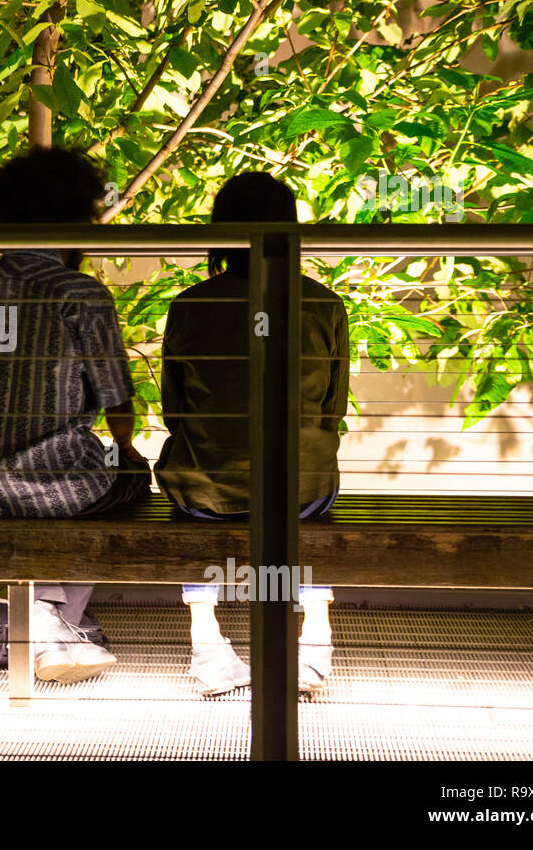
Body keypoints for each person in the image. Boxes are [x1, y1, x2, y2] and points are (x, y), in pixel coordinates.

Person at [0, 146, 151, 685]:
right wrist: (126, 450)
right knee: (129, 484)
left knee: (58, 499)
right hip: (67, 486)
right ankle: (53, 617)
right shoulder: (80, 294)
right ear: (76, 219)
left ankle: (45, 617)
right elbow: (117, 404)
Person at [153, 171, 350, 696]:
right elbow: (332, 412)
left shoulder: (191, 306)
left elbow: (175, 410)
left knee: (188, 477)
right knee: (304, 487)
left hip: (206, 491)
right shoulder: (324, 303)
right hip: (301, 490)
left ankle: (207, 643)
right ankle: (315, 640)